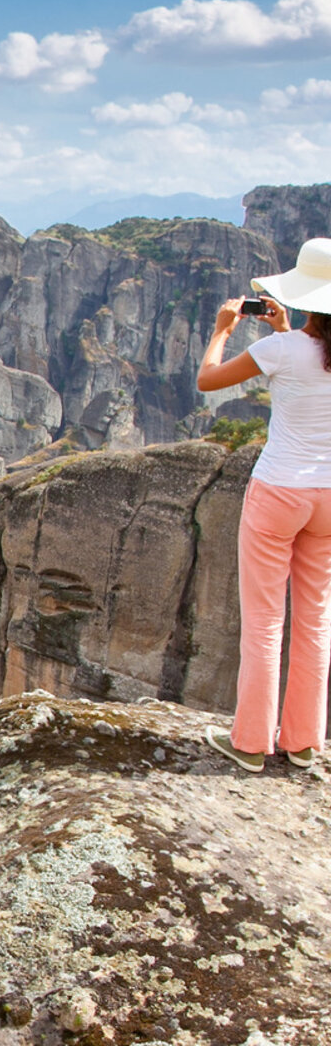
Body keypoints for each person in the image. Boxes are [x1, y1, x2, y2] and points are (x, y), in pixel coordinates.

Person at [196, 237, 331, 773]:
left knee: (265, 619)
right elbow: (313, 366)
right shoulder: (293, 345)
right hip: (330, 500)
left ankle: (251, 743)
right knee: (317, 619)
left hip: (278, 494)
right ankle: (303, 743)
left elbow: (209, 380)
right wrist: (283, 330)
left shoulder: (282, 351)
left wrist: (223, 330)